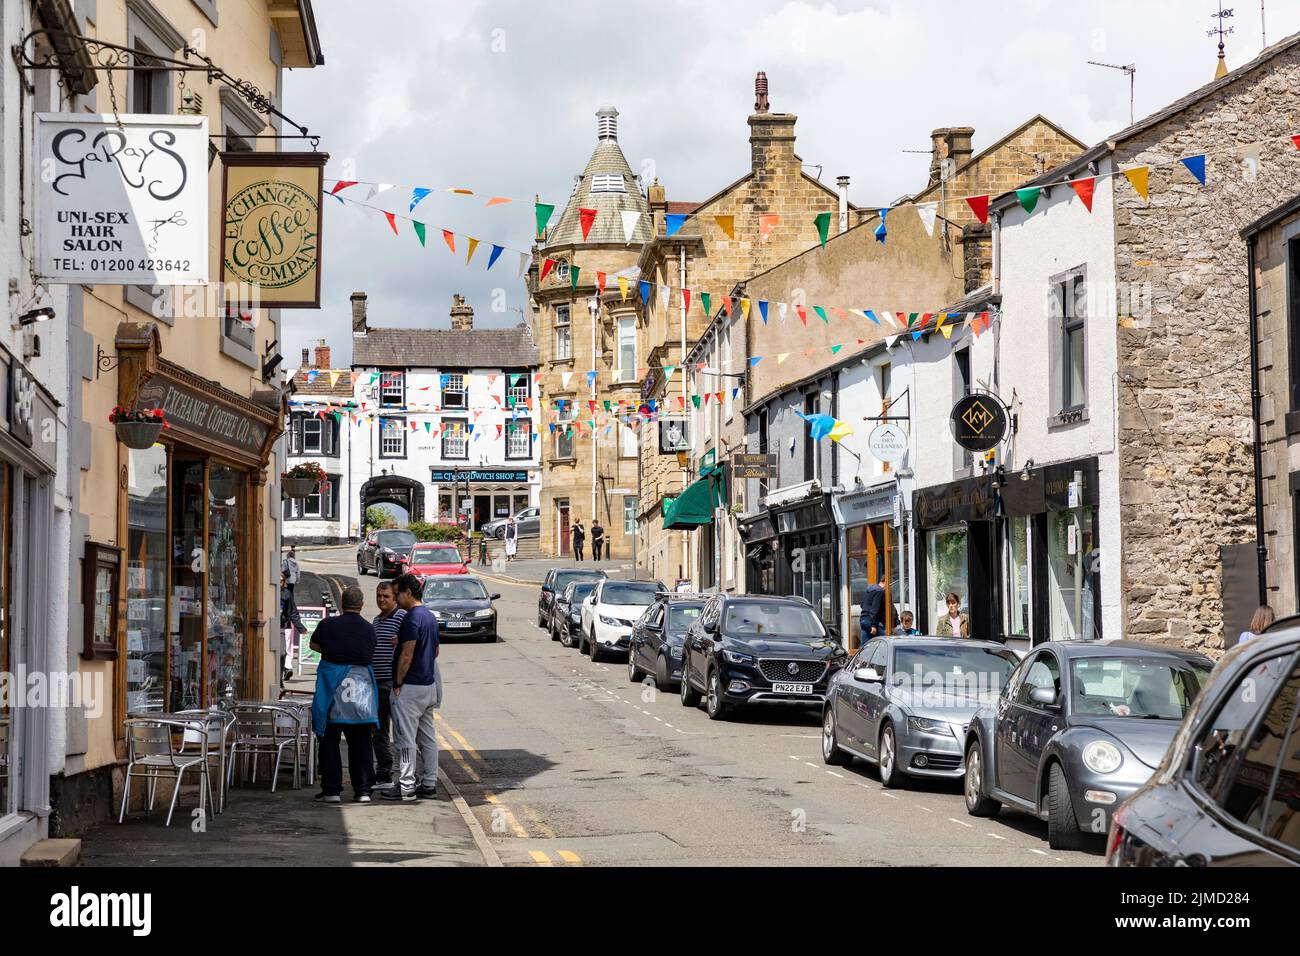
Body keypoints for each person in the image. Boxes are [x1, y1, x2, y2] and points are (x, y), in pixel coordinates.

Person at [310, 586, 378, 804]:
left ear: (341, 602)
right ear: (361, 605)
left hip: (334, 691)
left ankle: (332, 790)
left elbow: (313, 644)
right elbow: (370, 653)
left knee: (330, 741)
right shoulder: (369, 629)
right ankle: (363, 790)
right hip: (361, 691)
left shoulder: (327, 624)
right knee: (361, 743)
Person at [382, 573, 441, 801]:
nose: (395, 599)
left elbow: (406, 655)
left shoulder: (411, 618)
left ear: (408, 592)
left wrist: (397, 683)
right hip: (428, 686)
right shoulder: (430, 616)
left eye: (397, 594)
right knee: (428, 738)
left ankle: (406, 785)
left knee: (404, 739)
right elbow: (434, 651)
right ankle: (429, 784)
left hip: (410, 687)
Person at [370, 581, 406, 788]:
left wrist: (400, 641)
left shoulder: (401, 617)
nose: (381, 599)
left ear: (394, 598)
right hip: (376, 684)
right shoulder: (376, 620)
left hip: (394, 684)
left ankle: (406, 777)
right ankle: (384, 774)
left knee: (401, 733)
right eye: (378, 596)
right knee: (379, 731)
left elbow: (412, 642)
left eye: (386, 596)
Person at [279, 572, 305, 685]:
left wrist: (300, 627)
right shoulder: (269, 592)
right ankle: (277, 679)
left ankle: (279, 678)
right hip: (268, 627)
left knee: (282, 653)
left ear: (284, 582)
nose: (279, 583)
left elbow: (292, 612)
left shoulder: (286, 594)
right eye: (277, 580)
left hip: (282, 627)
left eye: (281, 581)